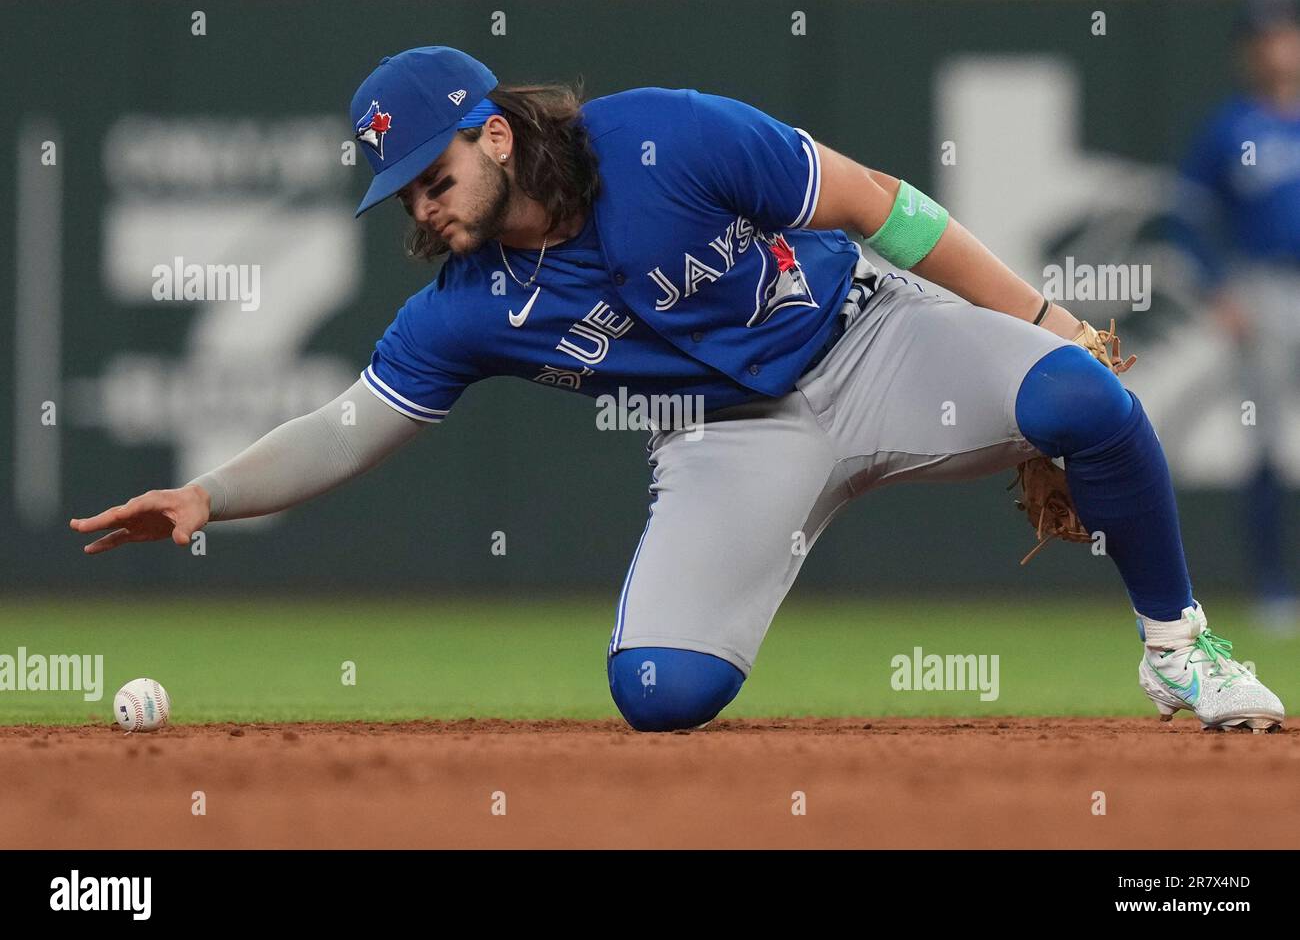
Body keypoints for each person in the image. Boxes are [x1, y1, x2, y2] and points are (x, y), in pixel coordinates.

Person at [72, 46, 1284, 732]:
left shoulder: (665, 139)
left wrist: (1037, 318)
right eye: (403, 197)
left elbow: (879, 204)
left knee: (1081, 398)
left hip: (872, 345)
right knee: (661, 695)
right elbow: (350, 427)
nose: (423, 210)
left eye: (429, 177)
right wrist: (207, 495)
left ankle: (1175, 649)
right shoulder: (467, 306)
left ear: (494, 135)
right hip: (728, 441)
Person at [1173, 0, 1300, 633]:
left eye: (1284, 36)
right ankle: (1275, 592)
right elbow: (1187, 216)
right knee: (1268, 446)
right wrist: (1220, 289)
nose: (1275, 48)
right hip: (1265, 289)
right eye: (1263, 39)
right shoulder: (1232, 128)